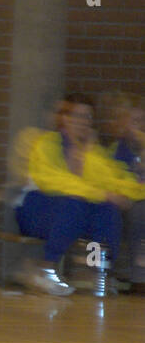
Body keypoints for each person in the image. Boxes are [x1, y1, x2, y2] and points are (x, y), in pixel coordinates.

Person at [13, 92, 144, 295]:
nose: (82, 122)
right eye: (77, 116)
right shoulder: (46, 143)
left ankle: (98, 272)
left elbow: (113, 179)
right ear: (65, 118)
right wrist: (102, 194)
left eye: (87, 117)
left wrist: (132, 193)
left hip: (78, 209)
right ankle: (46, 267)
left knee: (107, 211)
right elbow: (54, 182)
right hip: (38, 208)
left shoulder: (93, 152)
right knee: (75, 203)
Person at [96, 91, 145, 293]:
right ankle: (138, 279)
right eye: (134, 121)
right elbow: (111, 181)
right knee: (136, 212)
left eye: (142, 120)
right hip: (130, 203)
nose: (139, 126)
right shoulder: (115, 151)